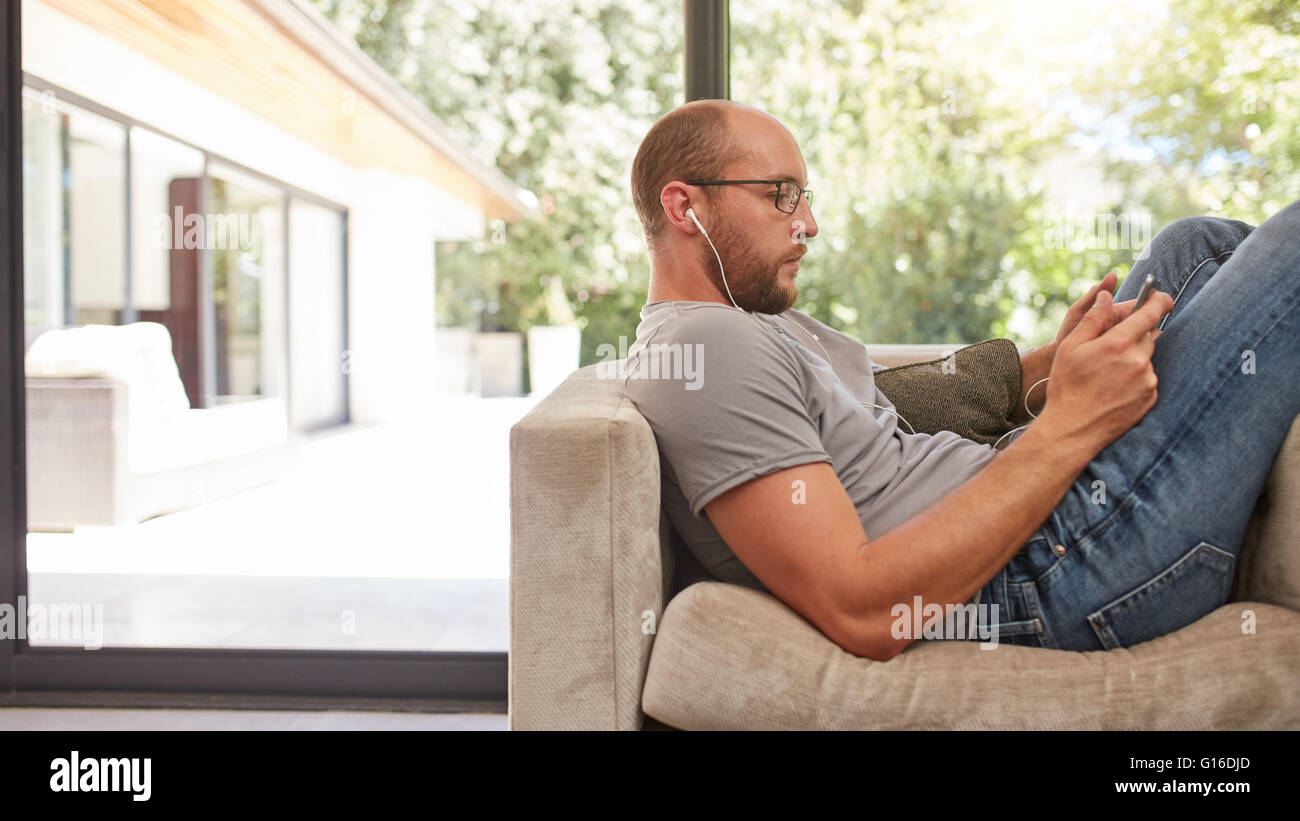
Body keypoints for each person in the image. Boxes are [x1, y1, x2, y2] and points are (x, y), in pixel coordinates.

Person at [621, 98, 1300, 659]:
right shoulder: (702, 348)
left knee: (1194, 245)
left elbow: (884, 410)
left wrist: (1048, 369)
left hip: (1037, 519)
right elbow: (860, 608)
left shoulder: (749, 322)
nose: (810, 223)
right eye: (782, 196)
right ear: (685, 208)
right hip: (1047, 573)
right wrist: (1073, 418)